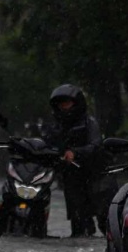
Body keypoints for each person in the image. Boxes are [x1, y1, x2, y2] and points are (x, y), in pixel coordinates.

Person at [41, 84, 114, 237]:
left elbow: (95, 145)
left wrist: (75, 153)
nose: (63, 108)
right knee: (79, 222)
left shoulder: (89, 123)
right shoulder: (55, 126)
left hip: (95, 175)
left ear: (76, 103)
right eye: (60, 104)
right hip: (71, 177)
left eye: (67, 103)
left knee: (105, 220)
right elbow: (47, 144)